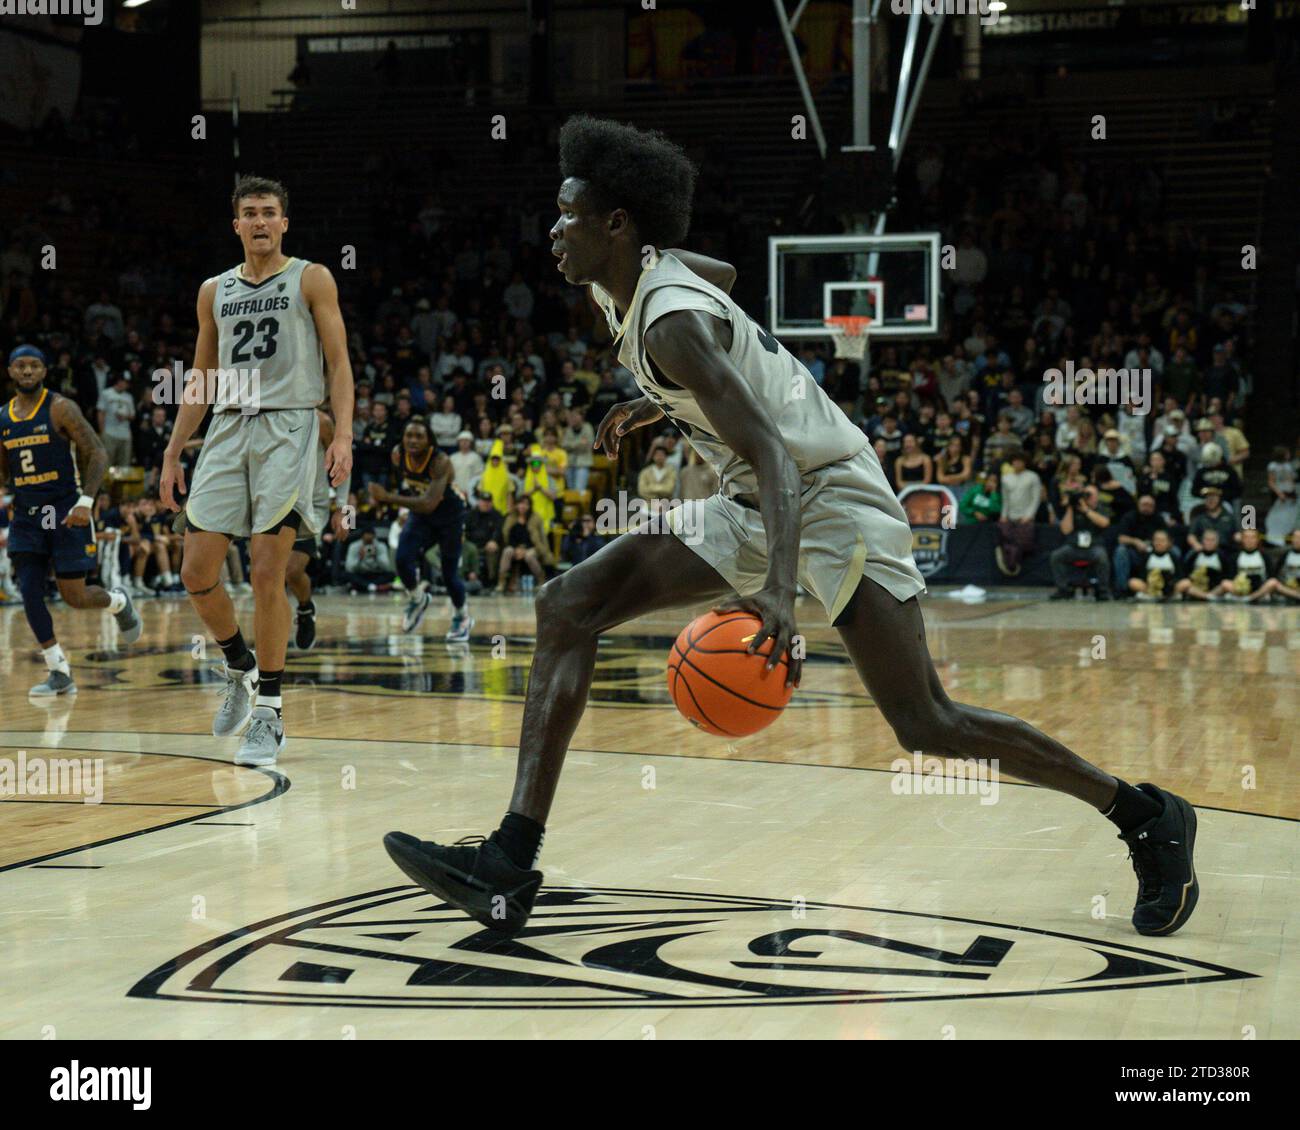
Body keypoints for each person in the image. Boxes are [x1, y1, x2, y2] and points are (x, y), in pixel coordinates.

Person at [384, 115, 1199, 942]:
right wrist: (665, 397)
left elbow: (773, 447)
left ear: (617, 225)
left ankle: (1144, 815)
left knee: (927, 724)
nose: (553, 230)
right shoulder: (630, 282)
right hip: (753, 494)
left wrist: (778, 589)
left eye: (568, 215)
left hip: (829, 497)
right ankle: (510, 862)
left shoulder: (668, 321)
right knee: (568, 604)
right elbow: (728, 273)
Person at [160, 175, 355, 767]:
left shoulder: (312, 277)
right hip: (226, 427)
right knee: (196, 571)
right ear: (237, 224)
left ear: (285, 223)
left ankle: (269, 712)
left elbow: (340, 362)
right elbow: (201, 378)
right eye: (251, 213)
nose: (262, 222)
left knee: (268, 572)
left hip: (290, 428)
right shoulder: (212, 290)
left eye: (271, 212)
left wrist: (342, 432)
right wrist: (173, 451)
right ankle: (238, 665)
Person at [0, 345, 141, 695]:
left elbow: (97, 451)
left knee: (74, 596)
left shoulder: (60, 407)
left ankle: (117, 601)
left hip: (61, 510)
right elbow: (5, 470)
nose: (28, 371)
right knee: (30, 589)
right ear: (11, 371)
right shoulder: (2, 418)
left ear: (45, 371)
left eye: (34, 366)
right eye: (21, 366)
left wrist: (86, 501)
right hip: (28, 514)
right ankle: (58, 670)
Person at [369, 418, 472, 641]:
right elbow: (408, 486)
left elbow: (429, 503)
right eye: (409, 435)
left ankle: (462, 616)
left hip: (450, 516)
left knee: (449, 573)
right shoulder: (398, 454)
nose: (413, 440)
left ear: (429, 441)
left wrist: (388, 498)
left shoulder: (440, 461)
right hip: (422, 515)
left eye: (419, 436)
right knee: (402, 559)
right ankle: (417, 598)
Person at [286, 408, 350, 650]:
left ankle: (305, 608)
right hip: (271, 501)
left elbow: (343, 462)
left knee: (291, 571)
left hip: (310, 506)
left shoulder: (322, 422)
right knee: (265, 575)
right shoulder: (264, 412)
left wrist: (343, 507)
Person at [1050, 483, 1113, 600]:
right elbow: (1065, 530)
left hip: (1094, 546)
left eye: (1091, 495)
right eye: (1086, 495)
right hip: (1074, 547)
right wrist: (1070, 507)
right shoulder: (1074, 509)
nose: (1088, 497)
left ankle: (1103, 590)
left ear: (1096, 496)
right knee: (1056, 556)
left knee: (1102, 557)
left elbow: (1104, 523)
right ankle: (1063, 589)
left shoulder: (1101, 508)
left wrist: (1086, 510)